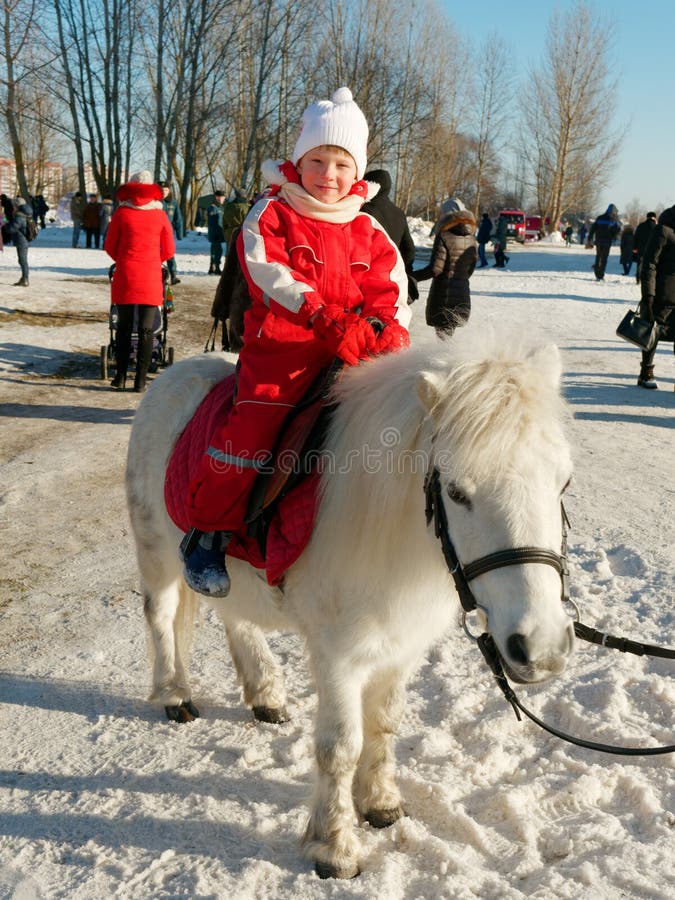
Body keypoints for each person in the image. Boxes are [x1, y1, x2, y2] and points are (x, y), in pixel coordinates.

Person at [180, 86, 411, 597]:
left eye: (341, 164)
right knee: (253, 429)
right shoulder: (271, 214)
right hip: (283, 352)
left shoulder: (370, 230)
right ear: (298, 161)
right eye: (318, 160)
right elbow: (269, 273)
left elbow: (389, 286)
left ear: (358, 172)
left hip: (354, 356)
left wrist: (386, 329)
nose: (329, 175)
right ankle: (209, 531)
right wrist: (323, 316)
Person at [104, 171, 175, 393]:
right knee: (146, 330)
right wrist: (153, 260)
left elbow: (109, 246)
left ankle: (121, 377)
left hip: (126, 274)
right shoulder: (159, 216)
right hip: (151, 276)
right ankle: (141, 381)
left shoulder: (122, 213)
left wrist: (125, 259)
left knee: (124, 328)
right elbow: (169, 250)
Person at [412, 197, 477, 336]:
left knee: (443, 337)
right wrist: (459, 279)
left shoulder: (444, 235)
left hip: (444, 295)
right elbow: (470, 269)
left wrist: (413, 277)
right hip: (462, 294)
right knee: (449, 336)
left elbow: (435, 269)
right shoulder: (472, 238)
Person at [361, 168, 418, 303]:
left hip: (367, 278)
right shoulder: (399, 213)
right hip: (392, 277)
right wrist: (404, 271)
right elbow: (409, 249)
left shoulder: (362, 210)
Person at [635, 205, 675, 390]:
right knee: (653, 332)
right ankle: (646, 371)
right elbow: (649, 264)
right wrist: (649, 294)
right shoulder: (663, 230)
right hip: (663, 293)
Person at [159, 181, 184, 284]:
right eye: (162, 190)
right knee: (156, 254)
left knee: (169, 253)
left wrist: (179, 233)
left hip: (167, 233)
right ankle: (157, 274)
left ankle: (173, 275)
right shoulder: (155, 201)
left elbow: (178, 219)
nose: (164, 192)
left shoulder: (173, 203)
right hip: (155, 232)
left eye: (166, 190)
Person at [587, 204, 621, 280]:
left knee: (598, 255)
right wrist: (614, 236)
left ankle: (597, 270)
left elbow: (593, 229)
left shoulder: (599, 218)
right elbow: (618, 230)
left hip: (598, 241)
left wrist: (590, 238)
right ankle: (601, 273)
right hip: (607, 241)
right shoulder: (614, 219)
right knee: (604, 258)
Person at [9, 197, 33, 286]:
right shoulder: (27, 213)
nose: (13, 206)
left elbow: (12, 229)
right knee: (22, 260)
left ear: (17, 205)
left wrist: (4, 222)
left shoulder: (19, 216)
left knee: (23, 260)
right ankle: (24, 278)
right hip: (25, 240)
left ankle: (25, 279)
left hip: (21, 241)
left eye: (14, 205)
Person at [633, 211, 657, 285]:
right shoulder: (656, 227)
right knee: (651, 265)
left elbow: (635, 237)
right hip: (652, 249)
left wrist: (634, 247)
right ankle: (649, 279)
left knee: (640, 264)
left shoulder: (641, 226)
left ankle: (638, 279)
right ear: (654, 218)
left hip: (641, 248)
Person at [207, 190, 226, 274]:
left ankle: (212, 266)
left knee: (216, 249)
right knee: (217, 250)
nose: (223, 199)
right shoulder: (213, 207)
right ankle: (216, 267)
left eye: (223, 197)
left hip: (220, 232)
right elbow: (212, 221)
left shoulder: (221, 207)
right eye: (221, 197)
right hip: (215, 233)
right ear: (217, 197)